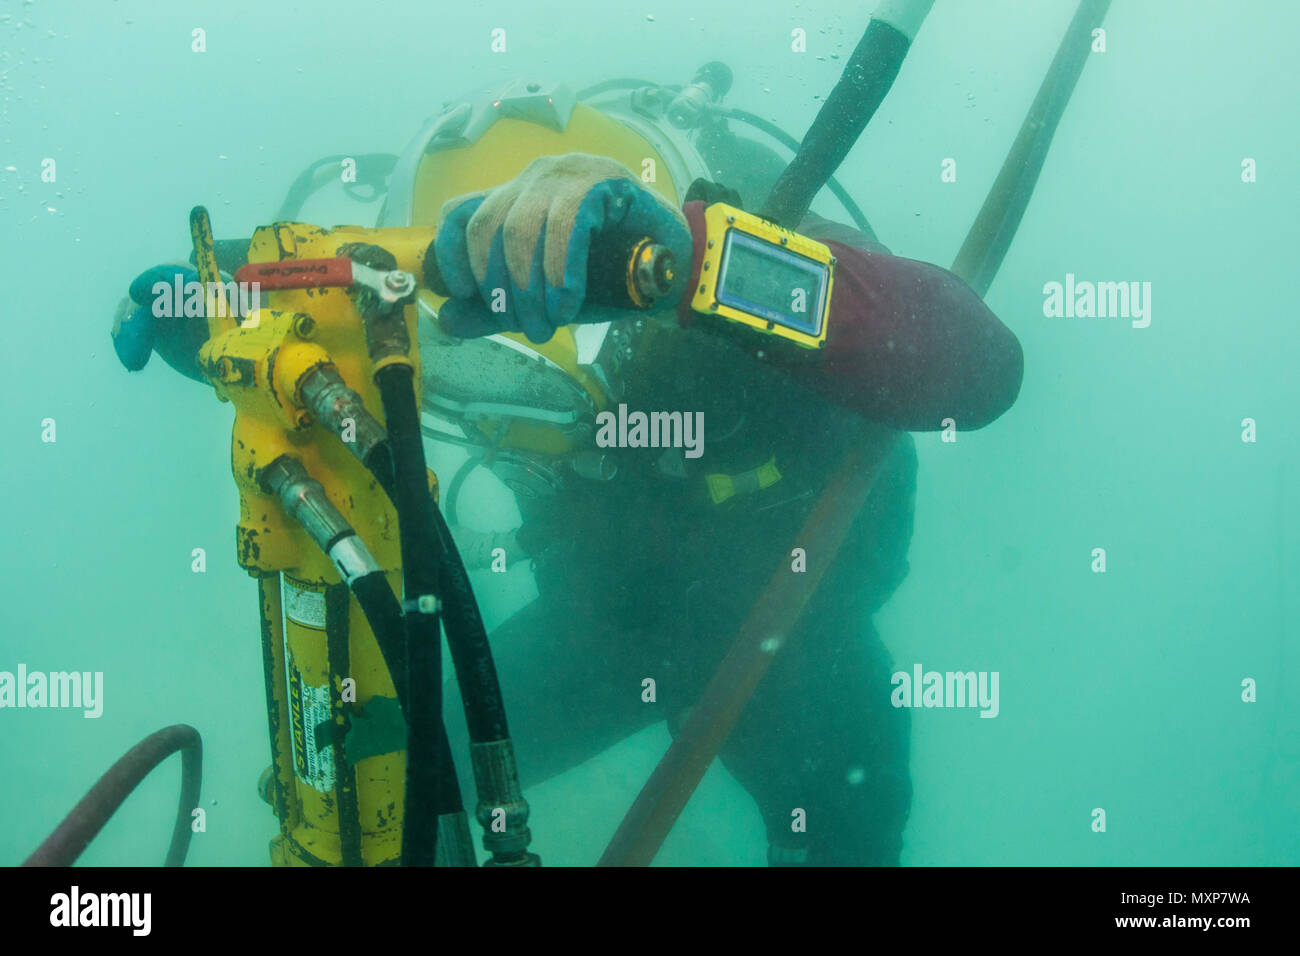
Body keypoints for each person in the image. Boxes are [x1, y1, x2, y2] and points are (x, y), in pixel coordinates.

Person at [113, 75, 1023, 866]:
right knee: (387, 779)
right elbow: (333, 319)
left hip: (801, 629)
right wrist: (221, 319)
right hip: (613, 623)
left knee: (847, 835)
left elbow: (978, 366)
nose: (537, 384)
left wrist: (690, 262)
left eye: (564, 315)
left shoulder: (746, 234)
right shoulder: (427, 315)